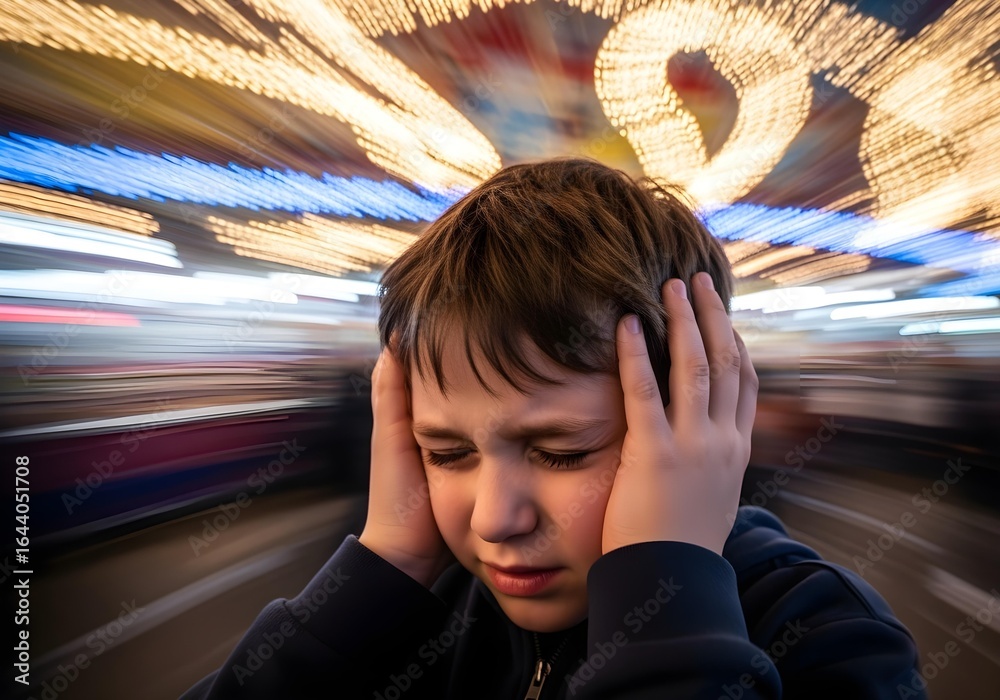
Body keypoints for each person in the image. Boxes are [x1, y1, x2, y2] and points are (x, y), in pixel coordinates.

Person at [182, 159, 923, 699]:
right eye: (446, 452)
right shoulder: (419, 617)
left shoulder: (827, 635)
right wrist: (381, 572)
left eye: (561, 452)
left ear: (700, 421)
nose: (496, 519)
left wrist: (662, 597)